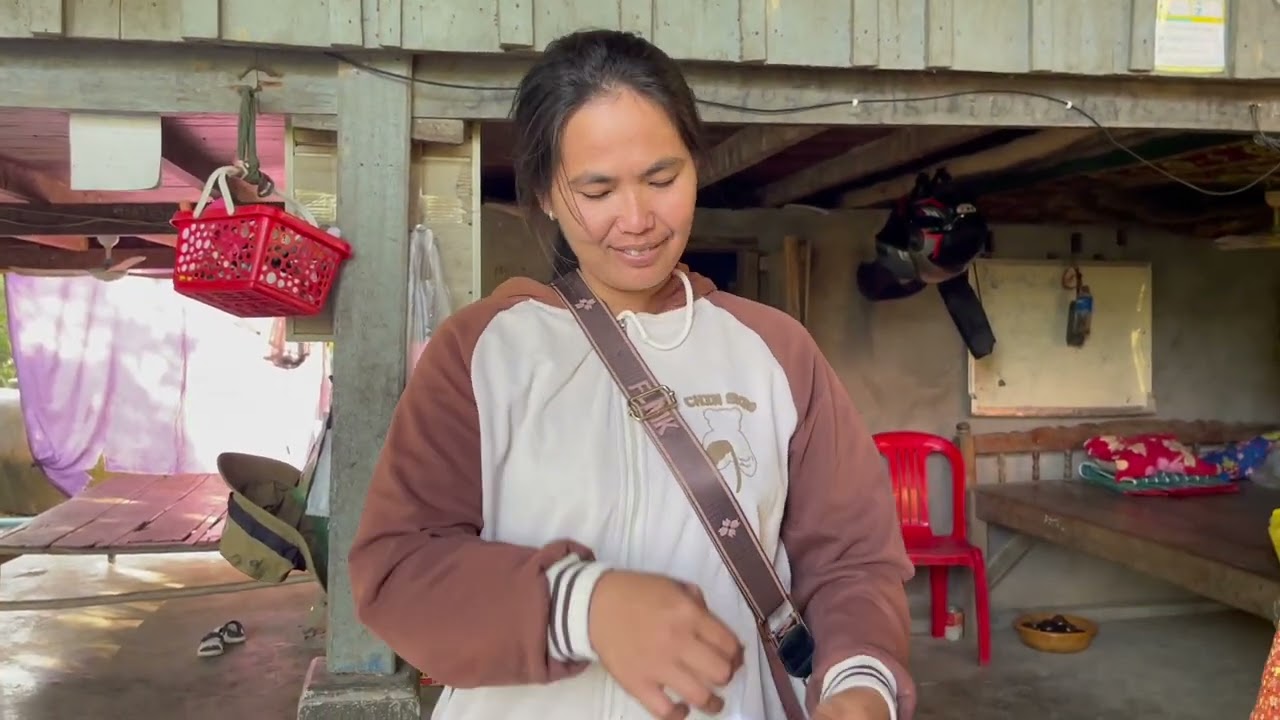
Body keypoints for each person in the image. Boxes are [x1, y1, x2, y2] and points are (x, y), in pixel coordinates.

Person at [348, 28, 916, 720]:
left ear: (695, 167)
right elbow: (399, 570)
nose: (638, 219)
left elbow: (853, 560)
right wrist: (582, 606)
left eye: (662, 178)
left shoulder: (775, 352)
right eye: (597, 189)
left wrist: (860, 682)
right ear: (548, 195)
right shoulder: (481, 352)